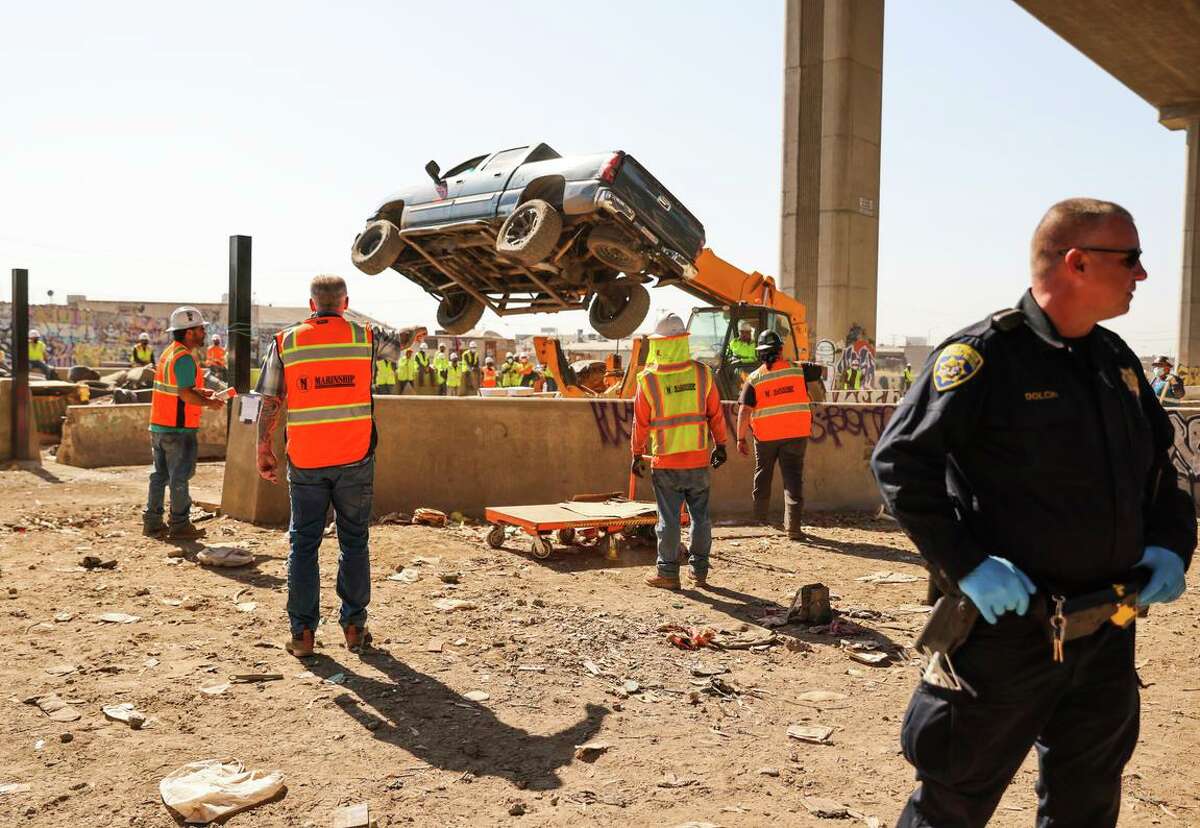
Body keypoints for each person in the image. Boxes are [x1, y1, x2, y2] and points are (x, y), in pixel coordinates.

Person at [870, 198, 1194, 828]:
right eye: (1130, 258)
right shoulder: (985, 356)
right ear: (1077, 262)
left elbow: (1161, 467)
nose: (1142, 274)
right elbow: (900, 463)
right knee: (951, 803)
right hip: (1007, 635)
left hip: (1108, 628)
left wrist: (1171, 545)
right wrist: (966, 564)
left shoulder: (1116, 361)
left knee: (1086, 802)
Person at [255, 274, 425, 657]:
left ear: (312, 304)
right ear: (345, 303)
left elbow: (270, 400)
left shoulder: (286, 341)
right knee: (354, 541)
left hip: (306, 460)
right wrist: (415, 330)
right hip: (354, 456)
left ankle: (302, 635)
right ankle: (353, 628)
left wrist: (263, 447)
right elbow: (400, 339)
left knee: (303, 545)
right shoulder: (364, 337)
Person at [631, 314, 727, 590]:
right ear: (684, 341)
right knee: (701, 518)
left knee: (669, 520)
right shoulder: (702, 373)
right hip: (698, 459)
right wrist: (721, 445)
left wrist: (636, 453)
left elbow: (640, 423)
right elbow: (716, 414)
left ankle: (668, 573)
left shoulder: (649, 380)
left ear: (659, 344)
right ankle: (699, 572)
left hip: (666, 461)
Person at [144, 307, 226, 540]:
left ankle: (152, 522)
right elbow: (185, 395)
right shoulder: (184, 358)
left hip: (159, 425)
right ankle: (180, 524)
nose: (204, 333)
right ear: (189, 332)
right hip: (178, 428)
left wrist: (201, 392)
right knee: (179, 476)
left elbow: (181, 388)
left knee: (159, 475)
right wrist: (209, 403)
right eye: (201, 329)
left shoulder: (169, 353)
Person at [735, 329, 813, 539]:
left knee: (763, 474)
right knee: (793, 479)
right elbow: (819, 372)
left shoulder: (754, 378)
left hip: (766, 437)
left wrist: (740, 438)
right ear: (780, 350)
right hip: (796, 434)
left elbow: (744, 411)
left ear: (760, 353)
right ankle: (793, 528)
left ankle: (760, 519)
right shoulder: (798, 370)